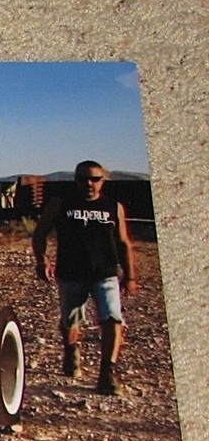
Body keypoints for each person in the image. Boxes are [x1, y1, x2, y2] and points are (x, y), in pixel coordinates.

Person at [32, 160, 136, 395]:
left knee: (112, 319)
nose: (88, 183)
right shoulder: (61, 204)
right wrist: (42, 261)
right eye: (82, 178)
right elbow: (40, 233)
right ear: (75, 180)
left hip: (105, 274)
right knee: (72, 320)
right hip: (71, 274)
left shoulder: (113, 206)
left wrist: (129, 275)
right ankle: (71, 352)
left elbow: (123, 242)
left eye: (94, 179)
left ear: (103, 181)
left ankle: (107, 373)